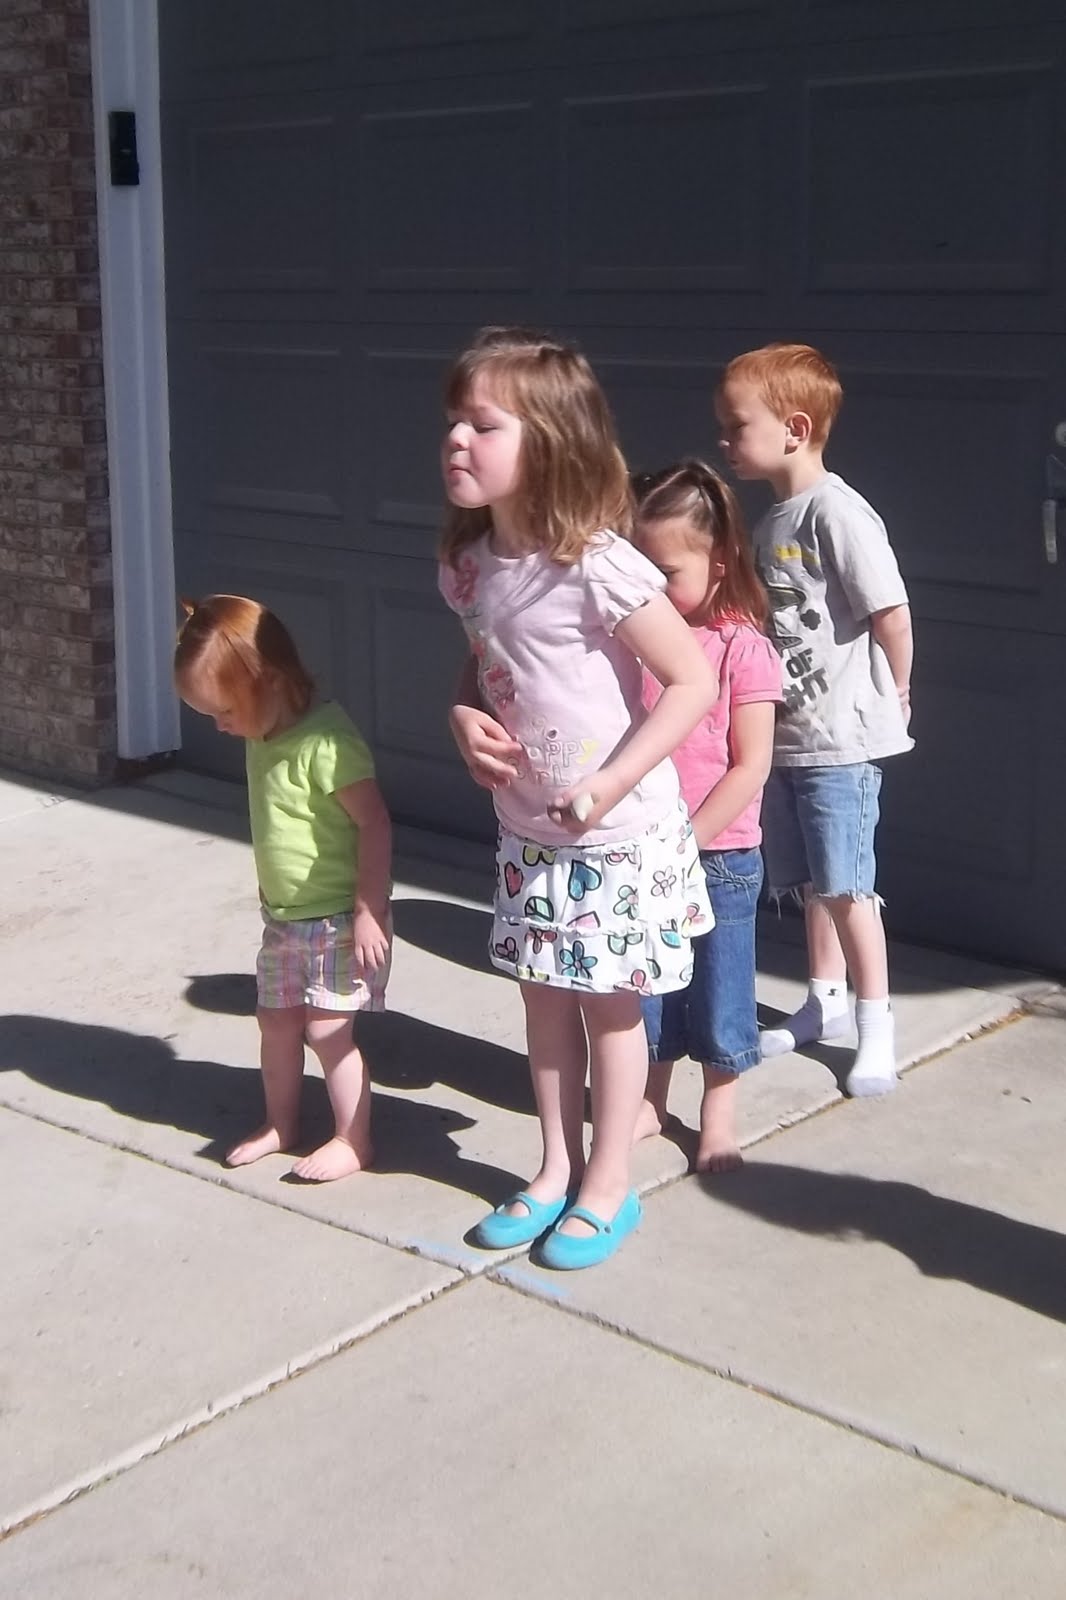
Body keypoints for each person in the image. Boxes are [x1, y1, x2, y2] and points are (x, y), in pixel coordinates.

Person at [439, 326, 718, 1269]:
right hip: (528, 830)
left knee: (609, 1008)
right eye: (453, 422)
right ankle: (554, 1168)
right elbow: (487, 668)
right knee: (543, 1002)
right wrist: (463, 716)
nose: (456, 440)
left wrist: (610, 782)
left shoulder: (598, 565)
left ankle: (609, 1182)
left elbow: (691, 683)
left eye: (483, 425)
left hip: (616, 837)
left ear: (552, 443)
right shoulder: (470, 564)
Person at [715, 342, 914, 1096]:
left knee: (847, 888)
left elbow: (890, 612)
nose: (725, 440)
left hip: (840, 740)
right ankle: (822, 1001)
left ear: (795, 429)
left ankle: (875, 1024)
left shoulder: (837, 512)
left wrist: (898, 691)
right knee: (807, 885)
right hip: (789, 737)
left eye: (738, 426)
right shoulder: (772, 520)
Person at [174, 596, 392, 1180]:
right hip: (284, 918)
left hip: (339, 918)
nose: (219, 726)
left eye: (224, 711)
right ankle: (280, 1124)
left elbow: (374, 823)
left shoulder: (327, 742)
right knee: (275, 1023)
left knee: (327, 1030)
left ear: (268, 681)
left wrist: (370, 909)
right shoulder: (263, 729)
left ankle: (354, 1139)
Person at [631, 460, 782, 1170]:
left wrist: (690, 840)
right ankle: (650, 1099)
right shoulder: (635, 642)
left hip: (719, 856)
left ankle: (718, 1113)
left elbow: (751, 764)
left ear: (720, 562)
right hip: (641, 849)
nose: (649, 589)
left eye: (666, 572)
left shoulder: (741, 649)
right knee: (650, 987)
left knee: (721, 987)